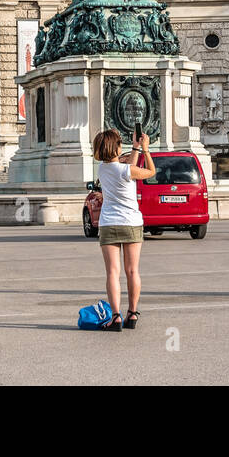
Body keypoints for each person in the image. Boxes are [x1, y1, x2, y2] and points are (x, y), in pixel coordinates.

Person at [94, 129, 156, 332]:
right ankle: (133, 312)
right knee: (132, 271)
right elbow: (150, 172)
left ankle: (116, 317)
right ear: (115, 147)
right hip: (131, 222)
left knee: (112, 272)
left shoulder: (103, 169)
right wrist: (146, 150)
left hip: (108, 223)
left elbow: (125, 163)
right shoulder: (126, 170)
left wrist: (135, 147)